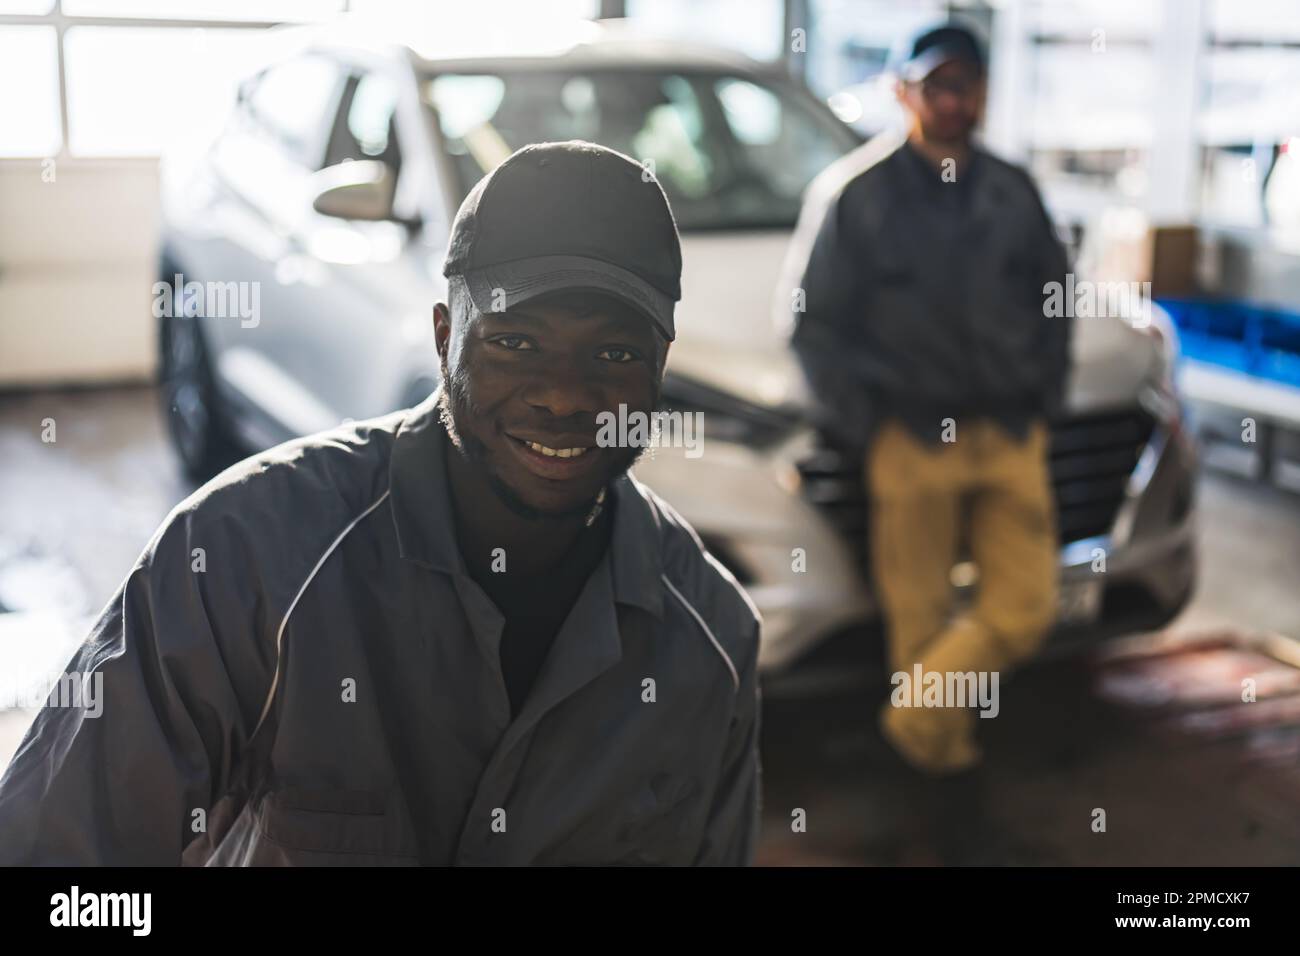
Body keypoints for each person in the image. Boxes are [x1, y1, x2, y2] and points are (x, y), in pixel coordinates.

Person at [0, 141, 762, 866]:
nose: (565, 394)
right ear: (443, 337)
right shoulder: (241, 560)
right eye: (516, 342)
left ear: (661, 369)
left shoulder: (711, 642)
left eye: (615, 354)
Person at [780, 22, 1072, 864]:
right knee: (918, 619)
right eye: (936, 84)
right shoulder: (855, 196)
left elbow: (1056, 296)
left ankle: (912, 725)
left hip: (1008, 431)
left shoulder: (1013, 191)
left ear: (984, 94)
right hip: (911, 438)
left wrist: (1045, 392)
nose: (953, 101)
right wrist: (869, 424)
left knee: (1024, 605)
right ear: (904, 92)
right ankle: (948, 799)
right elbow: (809, 327)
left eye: (968, 85)